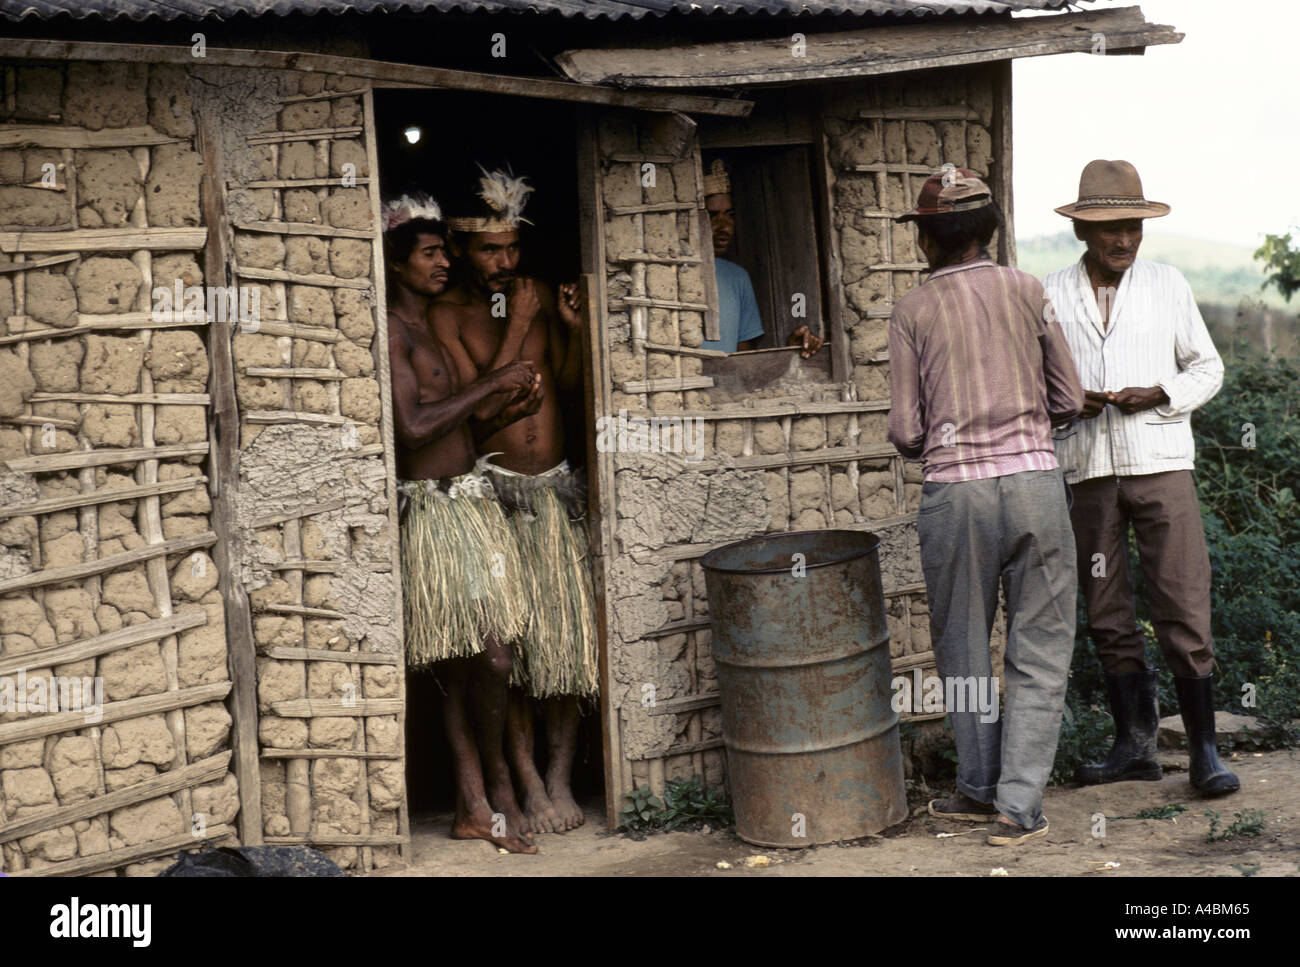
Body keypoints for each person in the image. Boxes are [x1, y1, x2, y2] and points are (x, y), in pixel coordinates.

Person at [887, 168, 1084, 845]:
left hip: (957, 495)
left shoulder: (913, 310)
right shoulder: (1030, 291)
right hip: (1035, 485)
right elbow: (1071, 399)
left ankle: (979, 785)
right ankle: (1016, 805)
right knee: (1041, 645)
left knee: (964, 647)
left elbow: (906, 431)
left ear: (927, 240)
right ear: (989, 229)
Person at [1043, 160, 1238, 796]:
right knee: (1105, 611)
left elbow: (1207, 369)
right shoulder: (1048, 294)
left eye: (1131, 226)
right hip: (1088, 472)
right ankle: (1134, 744)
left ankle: (1205, 750)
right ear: (1082, 234)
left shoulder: (1166, 285)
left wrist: (1160, 393)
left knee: (1181, 597)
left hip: (1161, 469)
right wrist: (1072, 403)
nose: (1123, 239)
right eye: (1109, 229)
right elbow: (1039, 387)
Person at [432, 168, 597, 835]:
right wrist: (519, 322)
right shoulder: (447, 315)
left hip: (554, 490)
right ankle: (523, 776)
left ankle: (559, 774)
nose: (504, 263)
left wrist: (568, 328)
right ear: (459, 250)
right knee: (517, 654)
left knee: (566, 644)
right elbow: (475, 411)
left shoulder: (530, 293)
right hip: (492, 498)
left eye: (511, 247)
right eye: (488, 251)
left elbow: (563, 380)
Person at [383, 193, 544, 854]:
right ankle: (481, 798)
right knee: (471, 658)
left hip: (470, 499)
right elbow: (414, 427)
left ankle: (485, 795)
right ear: (398, 266)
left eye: (445, 250)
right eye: (429, 253)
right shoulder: (394, 330)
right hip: (434, 506)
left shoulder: (432, 328)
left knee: (489, 657)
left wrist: (508, 406)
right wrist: (493, 380)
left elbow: (463, 426)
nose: (445, 261)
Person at [702, 159, 823, 357]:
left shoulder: (737, 277)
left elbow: (745, 358)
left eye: (729, 214)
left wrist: (792, 348)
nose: (724, 226)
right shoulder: (671, 277)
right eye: (712, 215)